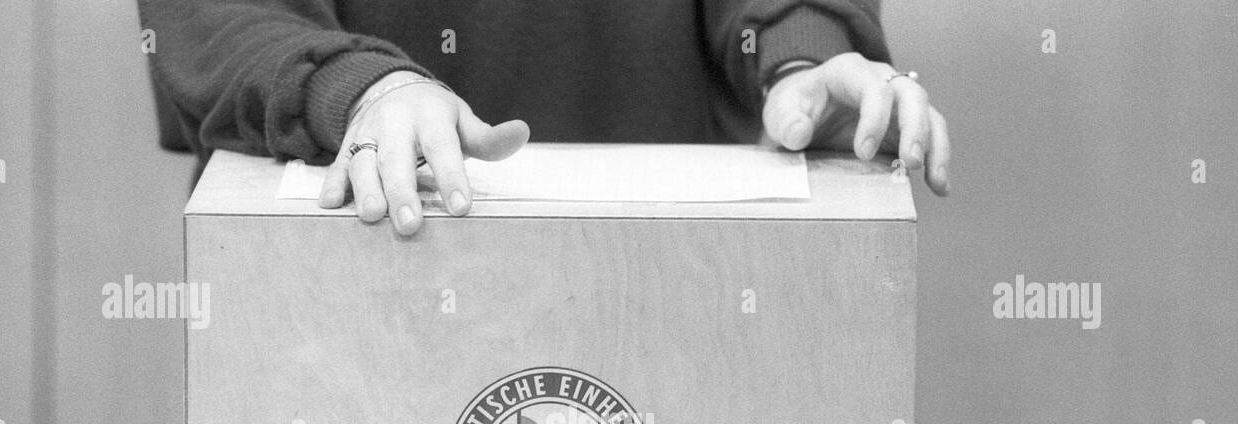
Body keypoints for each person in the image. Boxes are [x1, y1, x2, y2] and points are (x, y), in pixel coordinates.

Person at [141, 0, 950, 234]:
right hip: (360, 274)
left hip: (669, 284)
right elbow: (216, 22)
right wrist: (364, 90)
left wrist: (802, 58)